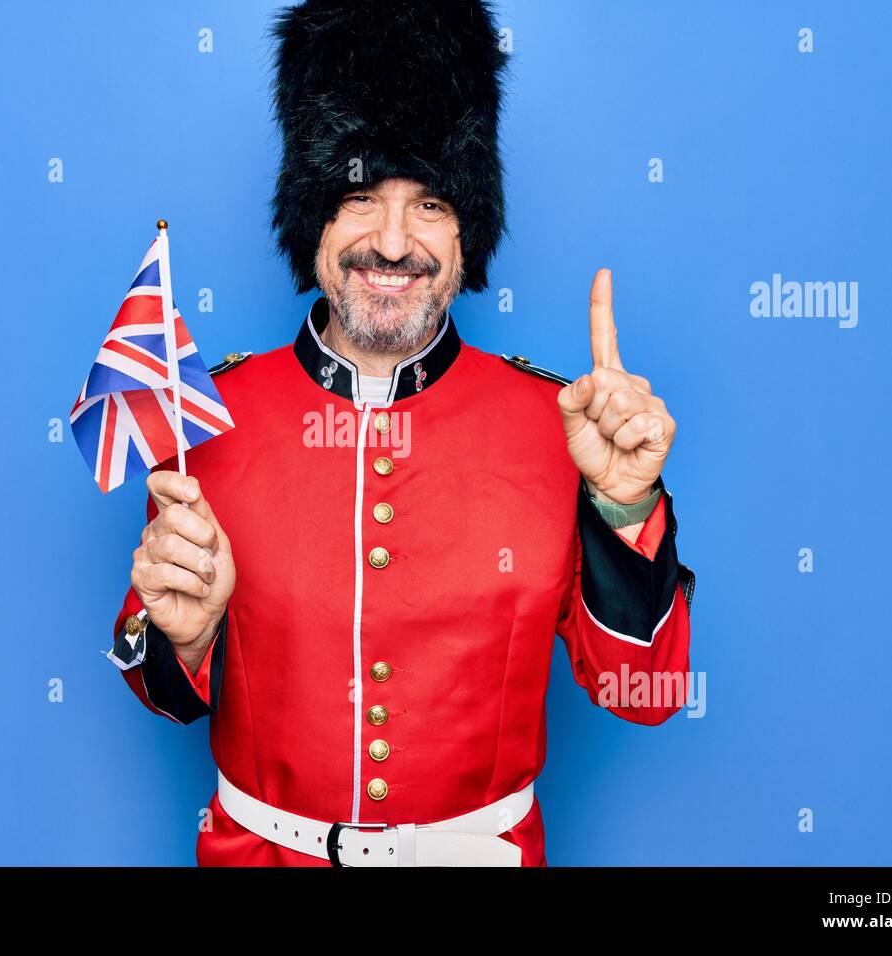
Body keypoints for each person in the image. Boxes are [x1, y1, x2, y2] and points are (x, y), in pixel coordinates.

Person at [106, 0, 695, 867]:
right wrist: (186, 638)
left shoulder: (559, 424)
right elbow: (162, 693)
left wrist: (624, 501)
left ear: (468, 232)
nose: (391, 243)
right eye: (356, 198)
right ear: (313, 219)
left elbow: (642, 692)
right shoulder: (210, 418)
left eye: (429, 204)